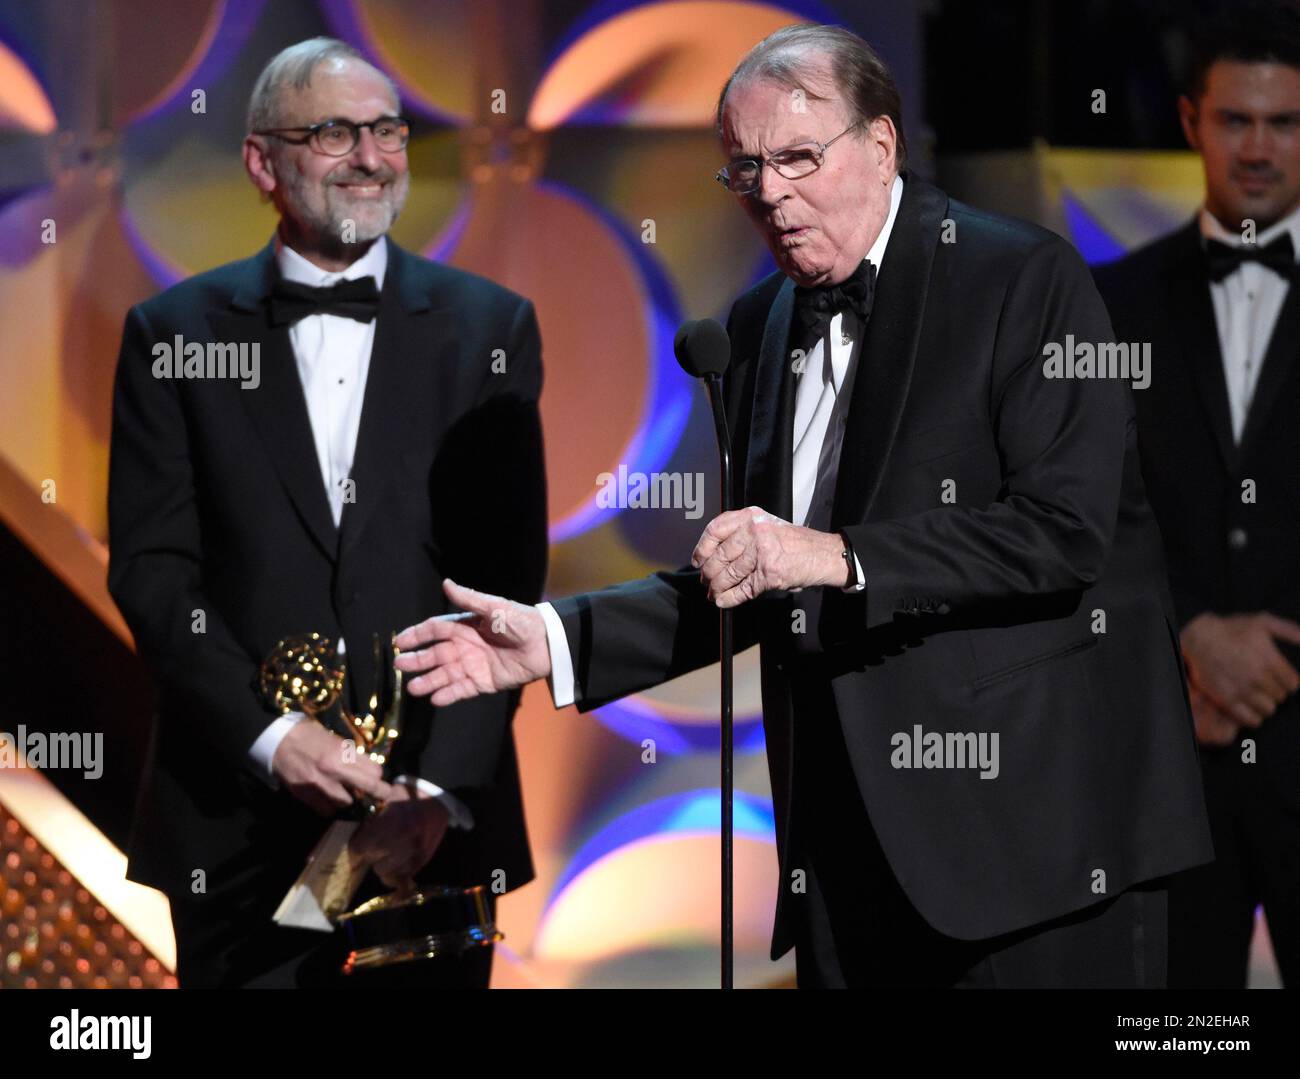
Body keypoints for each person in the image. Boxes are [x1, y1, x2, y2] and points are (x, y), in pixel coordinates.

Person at [395, 23, 1212, 988]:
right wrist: (553, 640)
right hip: (842, 861)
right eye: (744, 170)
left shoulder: (1018, 279)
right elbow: (755, 572)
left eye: (795, 157)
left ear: (881, 144)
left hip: (1034, 851)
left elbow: (1062, 533)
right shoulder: (759, 324)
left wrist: (835, 556)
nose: (771, 193)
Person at [107, 37, 546, 988]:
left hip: (435, 825)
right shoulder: (173, 336)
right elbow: (152, 571)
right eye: (335, 131)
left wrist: (430, 790)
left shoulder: (490, 328)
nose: (373, 156)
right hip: (235, 824)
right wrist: (276, 741)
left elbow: (506, 581)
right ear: (263, 161)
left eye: (387, 129)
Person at [1094, 1, 1300, 988]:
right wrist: (1187, 635)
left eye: (1284, 122)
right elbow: (1079, 509)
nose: (1257, 148)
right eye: (1234, 120)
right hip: (1166, 761)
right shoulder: (1105, 301)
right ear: (1189, 122)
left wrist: (1267, 650)